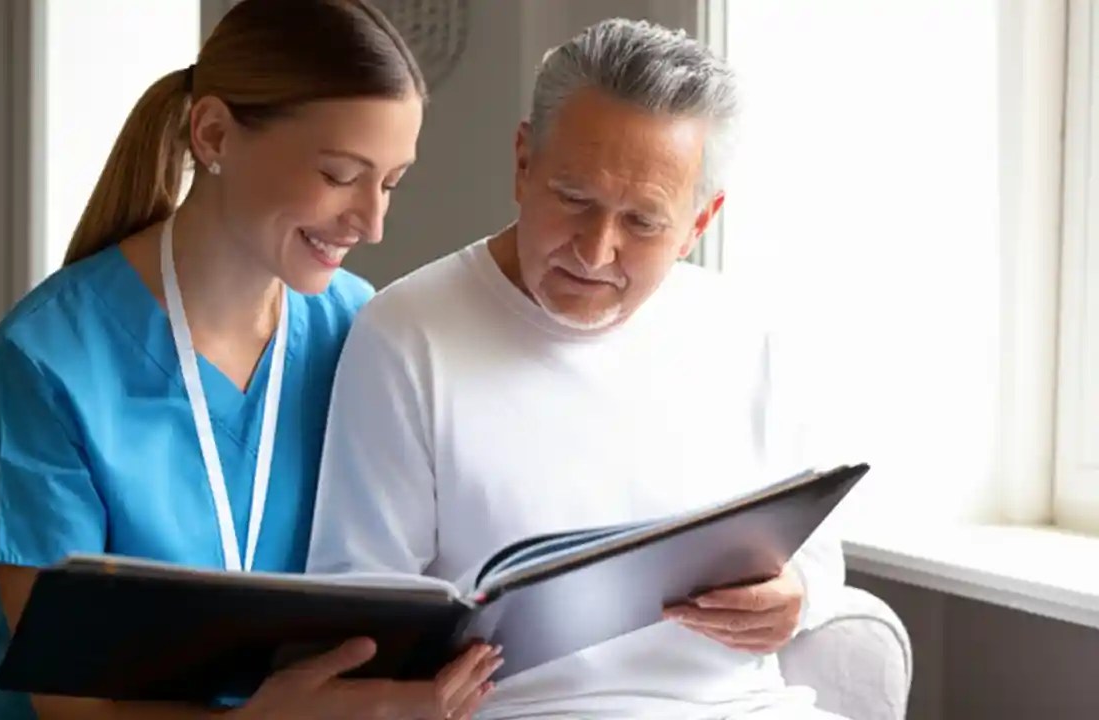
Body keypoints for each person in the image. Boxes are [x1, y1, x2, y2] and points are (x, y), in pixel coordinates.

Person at [0, 2, 503, 719]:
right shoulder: (49, 357)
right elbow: (71, 707)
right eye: (339, 174)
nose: (372, 222)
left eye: (390, 182)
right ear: (214, 134)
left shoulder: (365, 330)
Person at [307, 18, 849, 720]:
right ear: (523, 162)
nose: (595, 252)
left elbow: (819, 554)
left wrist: (797, 597)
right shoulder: (407, 334)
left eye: (643, 223)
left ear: (700, 222)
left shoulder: (746, 334)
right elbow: (360, 610)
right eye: (575, 199)